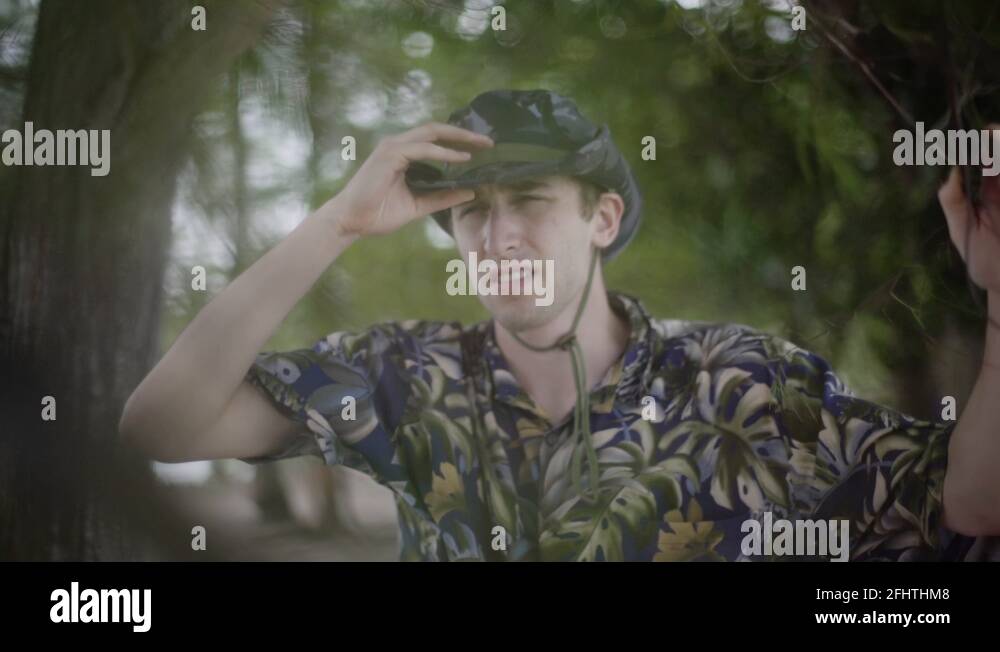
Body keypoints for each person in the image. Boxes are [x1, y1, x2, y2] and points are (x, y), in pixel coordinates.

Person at [119, 89, 1000, 561]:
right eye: (472, 213)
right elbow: (164, 424)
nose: (499, 234)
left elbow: (970, 503)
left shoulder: (744, 382)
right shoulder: (404, 378)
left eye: (532, 201)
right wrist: (336, 226)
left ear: (602, 218)